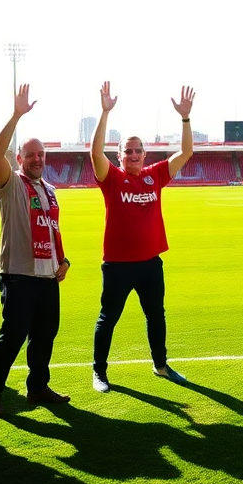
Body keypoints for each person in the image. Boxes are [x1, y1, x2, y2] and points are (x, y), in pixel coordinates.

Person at [89, 82, 195, 393]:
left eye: (138, 150)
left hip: (150, 263)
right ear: (119, 156)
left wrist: (185, 118)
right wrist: (105, 112)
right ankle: (99, 372)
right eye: (128, 151)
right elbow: (95, 152)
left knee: (156, 316)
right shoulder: (112, 177)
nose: (133, 155)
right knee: (108, 318)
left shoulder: (156, 174)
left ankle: (161, 365)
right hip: (118, 265)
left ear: (144, 155)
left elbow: (186, 152)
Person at [0, 85, 71, 414]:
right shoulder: (12, 184)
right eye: (30, 155)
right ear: (19, 159)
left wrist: (63, 260)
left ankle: (37, 387)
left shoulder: (49, 189)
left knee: (45, 336)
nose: (37, 159)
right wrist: (16, 115)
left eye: (41, 154)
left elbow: (52, 230)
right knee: (12, 336)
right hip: (19, 276)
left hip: (48, 277)